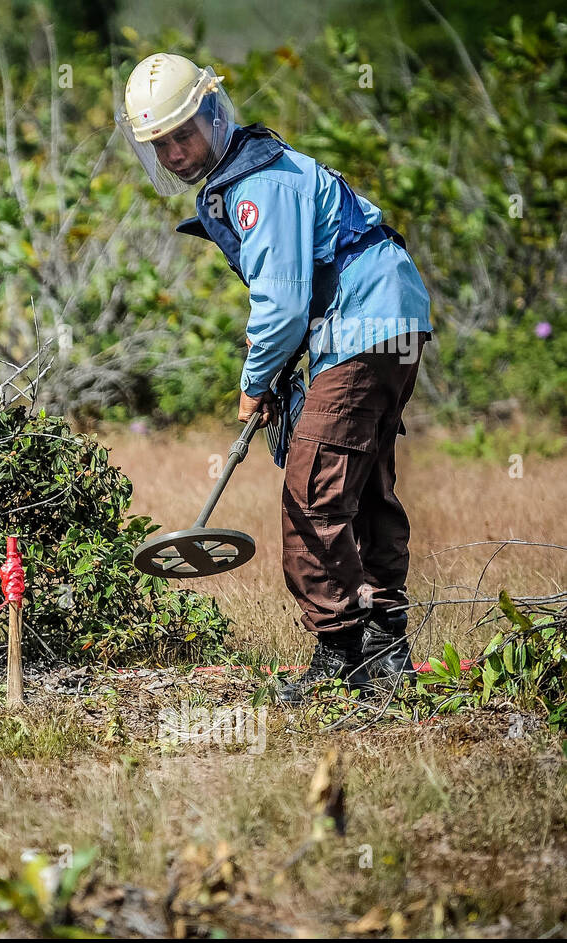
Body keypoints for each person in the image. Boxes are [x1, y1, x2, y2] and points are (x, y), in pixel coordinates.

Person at [117, 53, 433, 702]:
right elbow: (301, 293)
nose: (176, 152)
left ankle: (342, 657)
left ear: (213, 114)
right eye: (161, 143)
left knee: (311, 491)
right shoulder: (257, 169)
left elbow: (283, 303)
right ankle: (387, 651)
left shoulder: (257, 186)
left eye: (185, 133)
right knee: (363, 484)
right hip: (391, 313)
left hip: (365, 321)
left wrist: (253, 383)